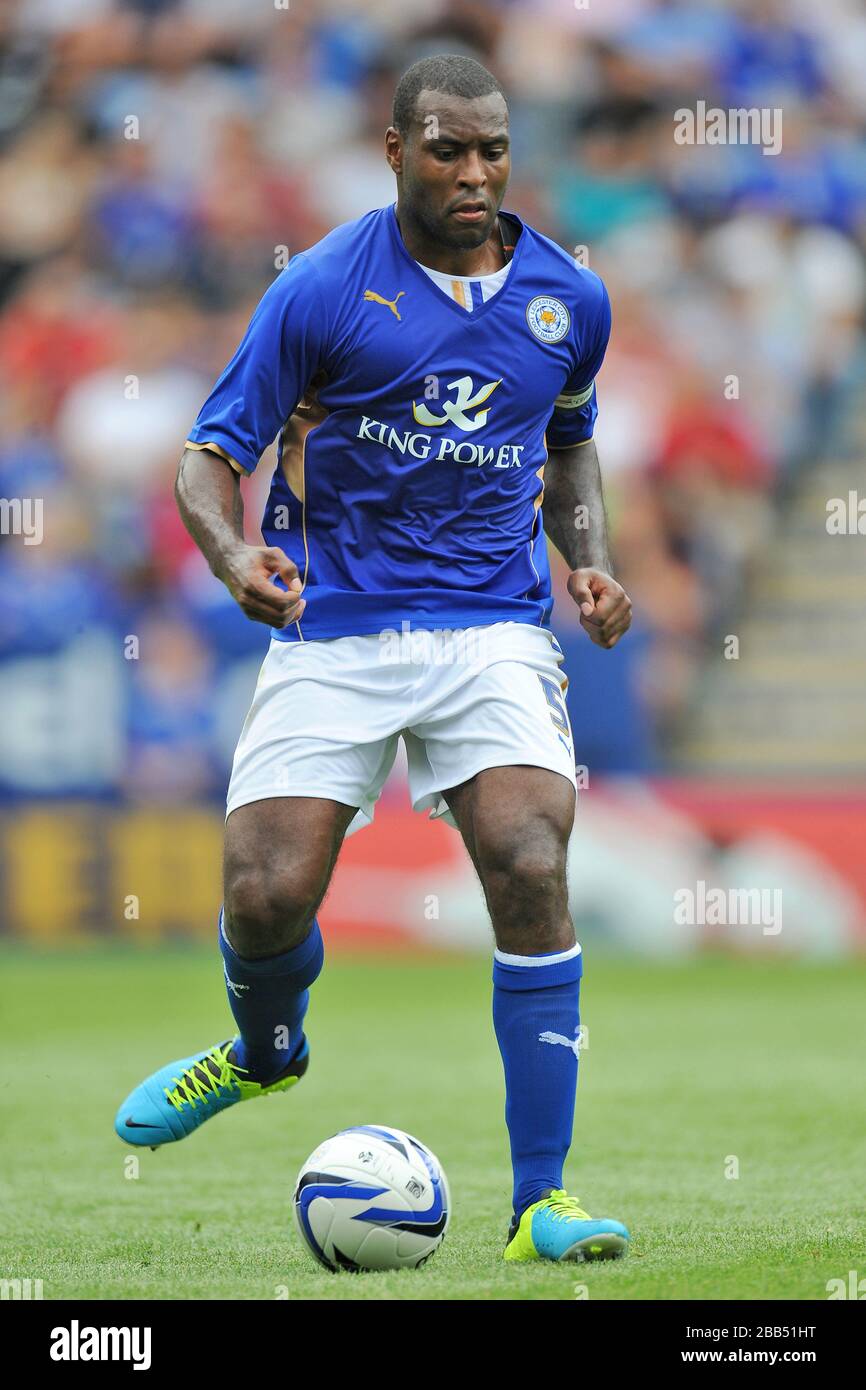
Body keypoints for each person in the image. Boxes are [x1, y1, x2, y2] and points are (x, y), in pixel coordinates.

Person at [115, 53, 633, 1266]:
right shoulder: (318, 293)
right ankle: (263, 1052)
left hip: (492, 626)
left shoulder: (567, 297)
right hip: (334, 625)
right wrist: (237, 562)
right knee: (262, 893)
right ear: (393, 151)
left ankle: (539, 1202)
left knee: (525, 853)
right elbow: (206, 461)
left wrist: (587, 560)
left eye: (491, 150)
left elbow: (567, 449)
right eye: (446, 149)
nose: (473, 172)